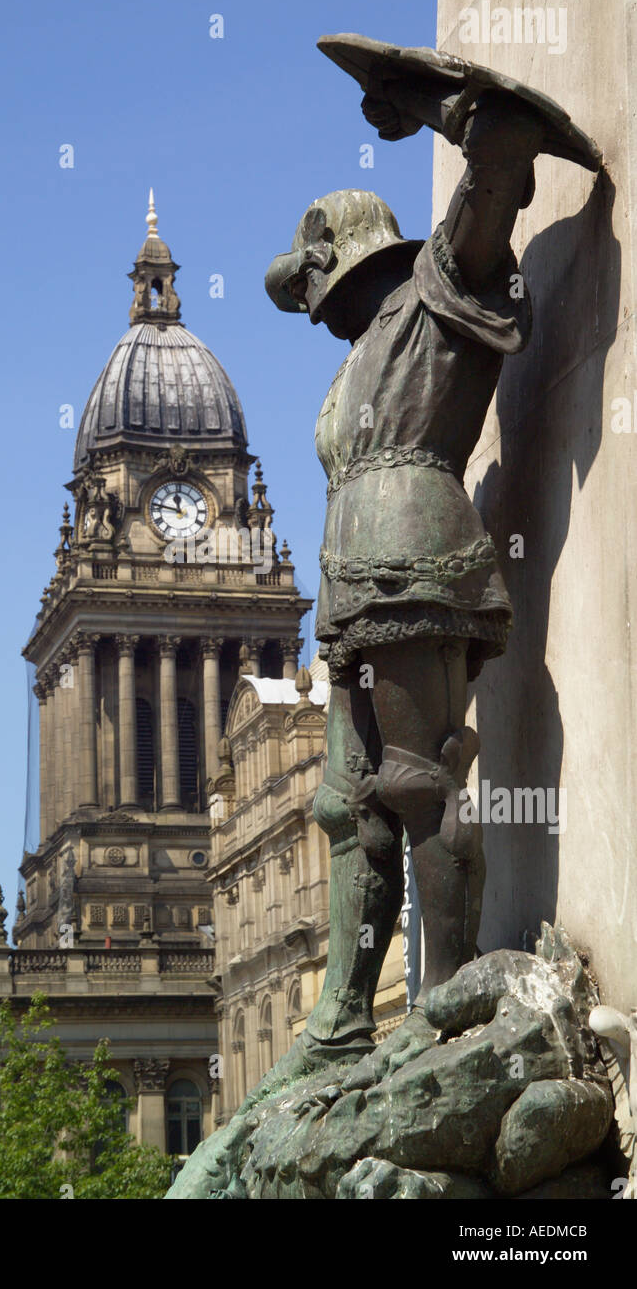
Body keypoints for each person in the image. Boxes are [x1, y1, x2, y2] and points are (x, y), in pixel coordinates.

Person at [260, 78, 545, 1075]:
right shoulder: (356, 357)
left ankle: (453, 992)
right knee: (347, 801)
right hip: (351, 581)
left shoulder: (436, 287)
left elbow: (490, 197)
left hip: (413, 549)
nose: (308, 307)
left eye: (311, 285)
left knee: (418, 781)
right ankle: (343, 1017)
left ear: (346, 262)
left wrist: (473, 136)